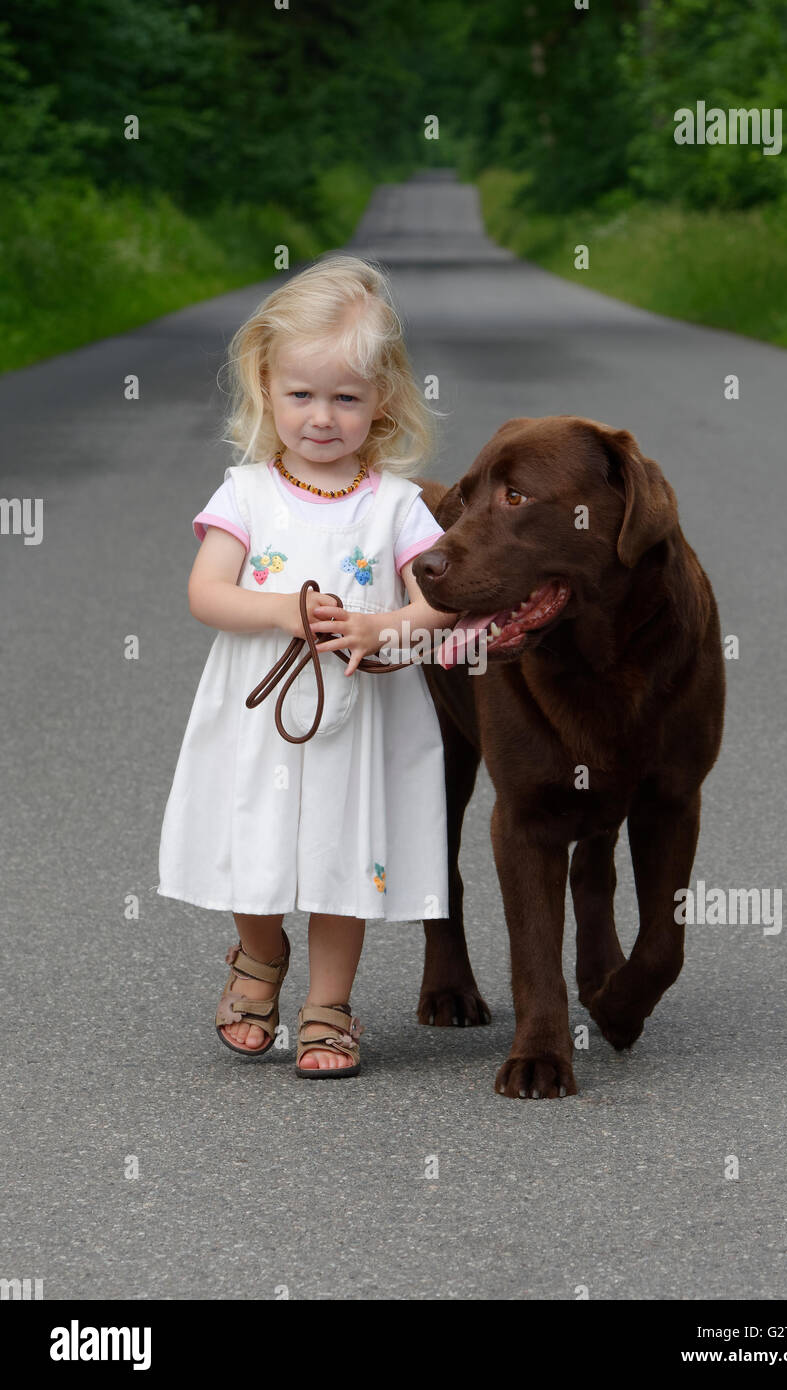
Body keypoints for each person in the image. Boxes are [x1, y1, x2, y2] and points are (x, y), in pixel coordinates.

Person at [158, 253, 457, 1078]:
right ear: (265, 386)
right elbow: (207, 593)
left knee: (340, 853)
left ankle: (330, 1004)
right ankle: (258, 958)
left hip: (356, 722)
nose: (321, 418)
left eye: (346, 398)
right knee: (252, 844)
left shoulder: (396, 503)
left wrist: (381, 626)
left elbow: (438, 604)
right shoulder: (246, 492)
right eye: (302, 395)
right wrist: (284, 607)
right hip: (261, 718)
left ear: (383, 401)